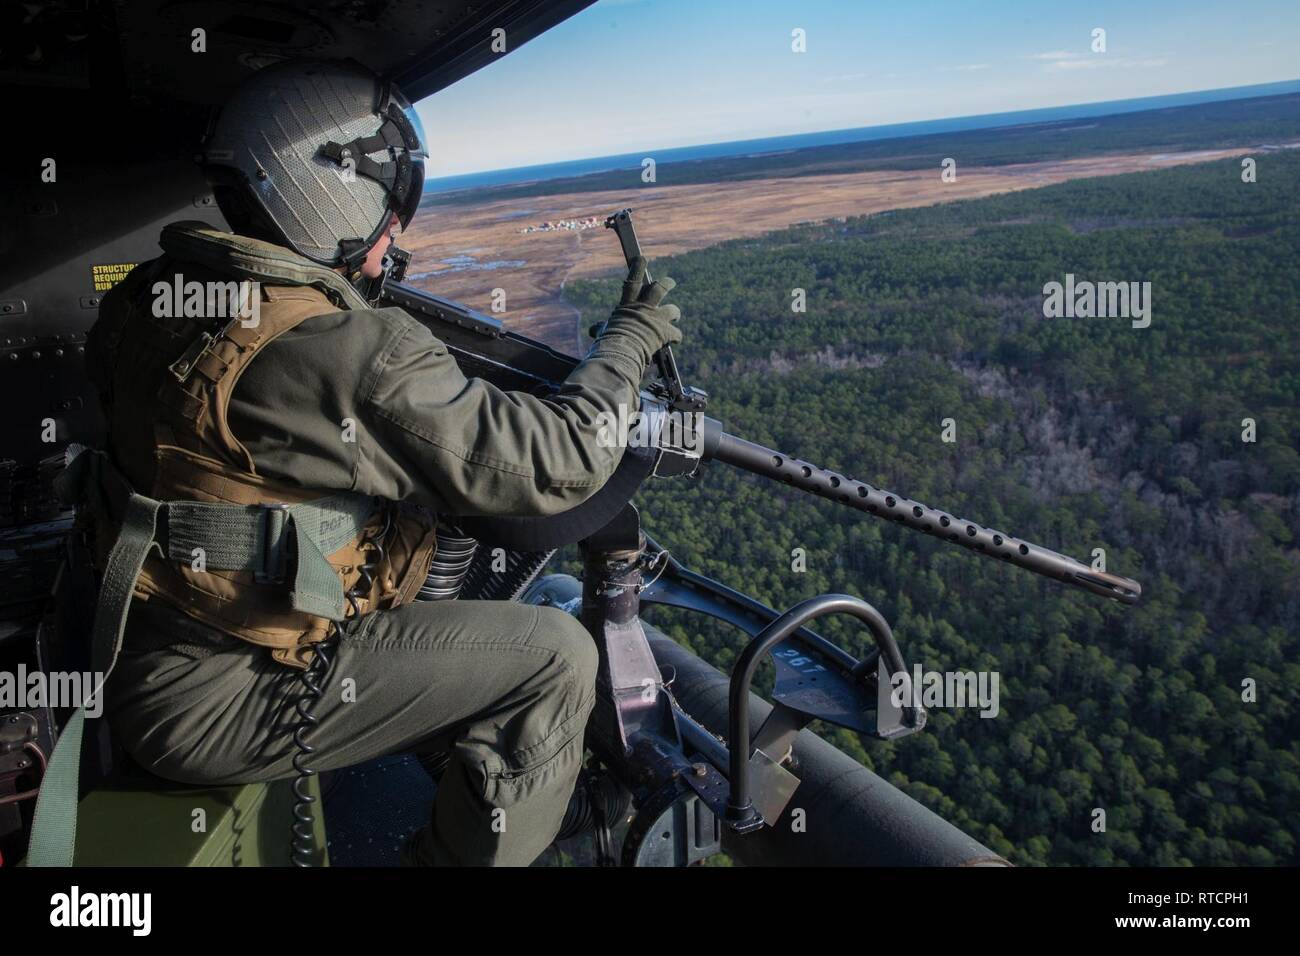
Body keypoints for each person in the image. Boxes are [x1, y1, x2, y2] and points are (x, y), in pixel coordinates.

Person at [80, 58, 682, 866]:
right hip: (213, 698)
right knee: (556, 657)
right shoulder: (338, 347)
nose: (398, 224)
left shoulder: (154, 293)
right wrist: (631, 341)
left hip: (129, 646)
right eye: (391, 199)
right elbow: (559, 461)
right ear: (328, 188)